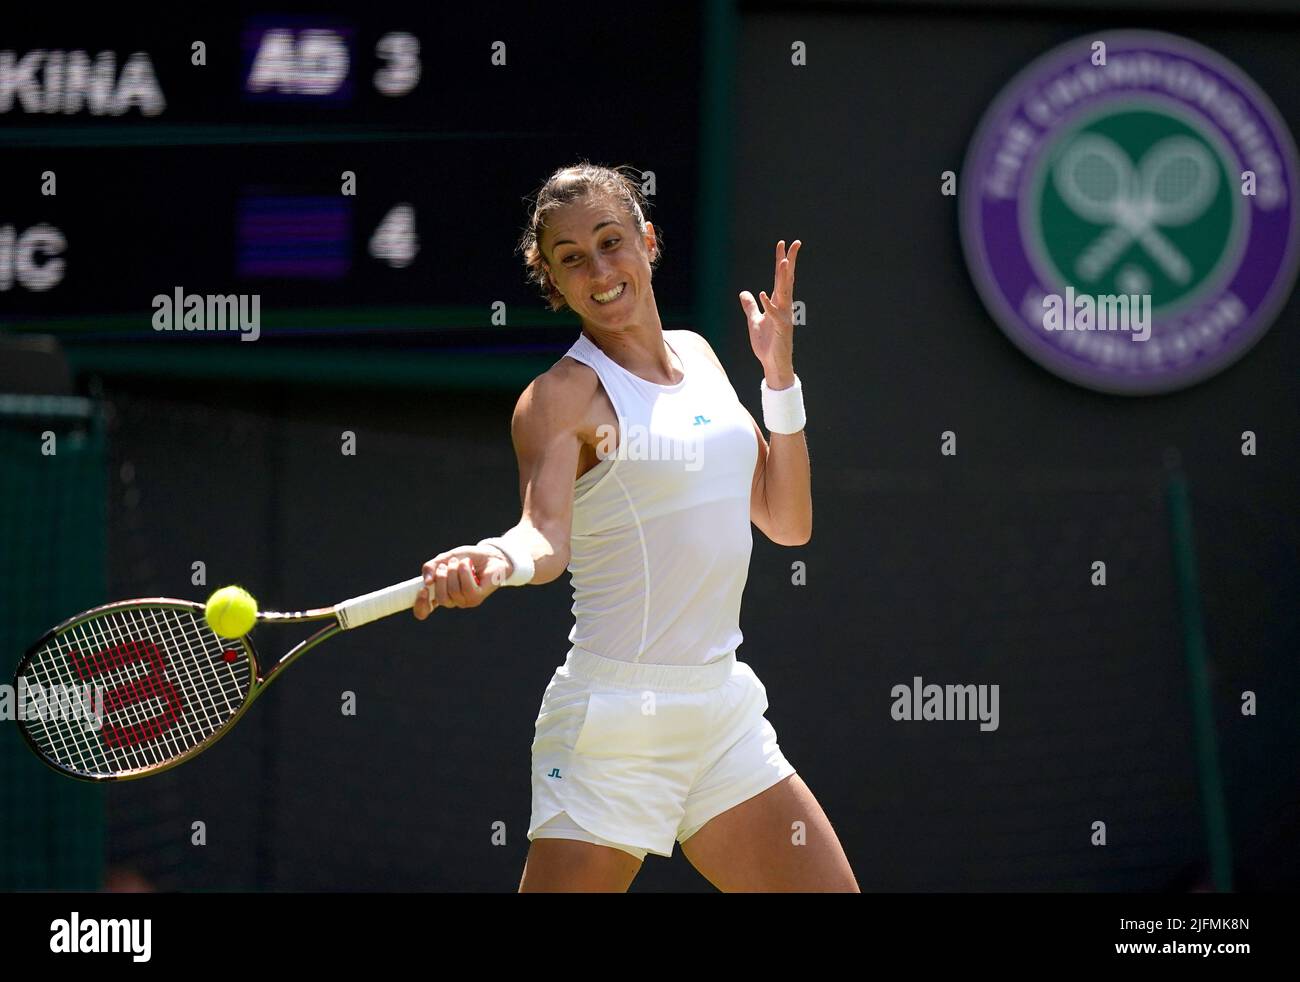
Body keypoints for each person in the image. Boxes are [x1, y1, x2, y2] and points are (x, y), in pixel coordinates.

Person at [413, 162, 858, 893]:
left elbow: (788, 520)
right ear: (553, 283)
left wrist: (780, 379)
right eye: (571, 259)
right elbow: (542, 537)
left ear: (649, 242)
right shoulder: (560, 397)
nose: (599, 269)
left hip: (721, 713)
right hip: (613, 728)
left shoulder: (704, 358)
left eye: (612, 241)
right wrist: (495, 560)